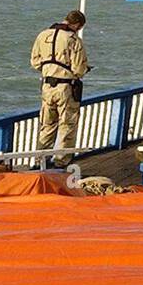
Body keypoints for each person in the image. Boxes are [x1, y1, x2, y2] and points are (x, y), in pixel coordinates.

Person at [30, 10, 89, 167]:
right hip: (65, 87)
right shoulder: (73, 40)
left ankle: (39, 160)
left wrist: (49, 68)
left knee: (47, 124)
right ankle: (61, 161)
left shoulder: (42, 35)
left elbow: (35, 62)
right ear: (77, 25)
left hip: (47, 85)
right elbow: (78, 69)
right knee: (67, 124)